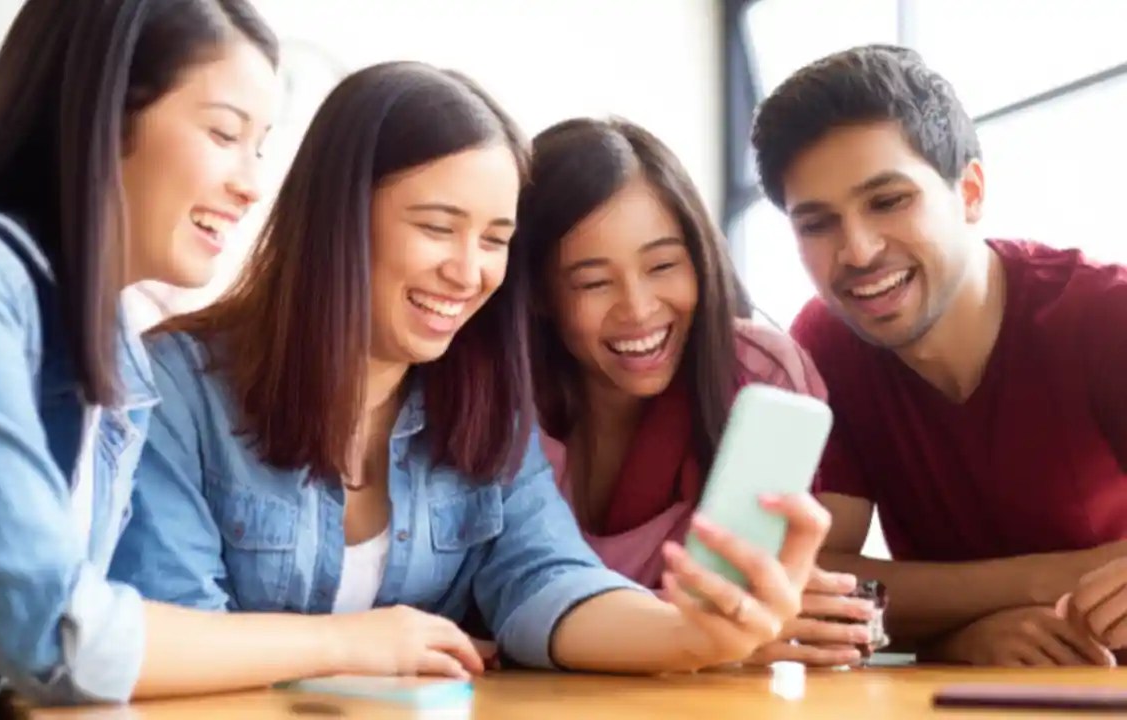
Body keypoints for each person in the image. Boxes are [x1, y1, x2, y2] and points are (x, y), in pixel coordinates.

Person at [109, 61, 832, 679]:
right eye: (437, 227)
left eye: (495, 239)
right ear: (337, 219)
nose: (468, 272)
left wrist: (691, 636)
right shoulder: (178, 388)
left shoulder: (483, 397)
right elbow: (161, 632)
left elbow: (546, 578)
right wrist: (358, 645)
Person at [0, 0, 433, 715]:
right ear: (102, 114)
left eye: (259, 147)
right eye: (224, 133)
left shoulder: (114, 337)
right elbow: (63, 638)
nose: (252, 185)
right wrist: (349, 642)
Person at [751, 43, 1127, 666]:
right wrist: (970, 632)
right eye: (817, 224)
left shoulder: (1104, 315)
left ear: (970, 192)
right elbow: (814, 582)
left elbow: (851, 593)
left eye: (888, 201)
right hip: (974, 685)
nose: (859, 251)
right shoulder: (823, 344)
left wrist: (934, 615)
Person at [515, 117, 874, 668]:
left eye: (663, 265)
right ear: (538, 294)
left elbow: (763, 596)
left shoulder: (757, 376)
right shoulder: (503, 400)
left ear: (700, 259)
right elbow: (499, 597)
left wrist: (767, 613)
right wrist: (696, 631)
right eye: (593, 282)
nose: (639, 309)